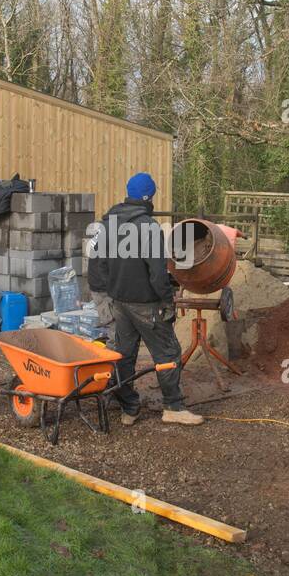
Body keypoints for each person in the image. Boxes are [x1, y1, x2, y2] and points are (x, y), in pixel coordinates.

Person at [88, 173, 204, 426]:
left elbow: (100, 264)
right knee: (167, 352)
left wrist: (115, 290)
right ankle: (173, 407)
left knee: (123, 355)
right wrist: (166, 301)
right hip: (146, 304)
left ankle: (129, 407)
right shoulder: (148, 227)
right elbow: (158, 272)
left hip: (119, 303)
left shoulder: (108, 224)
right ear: (149, 196)